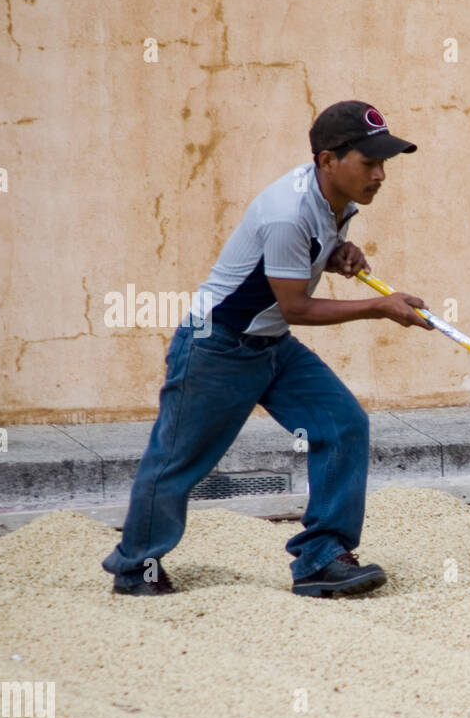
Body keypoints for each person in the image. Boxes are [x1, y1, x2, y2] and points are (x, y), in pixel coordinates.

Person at [102, 100, 433, 598]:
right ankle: (135, 568)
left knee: (342, 425)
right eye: (369, 162)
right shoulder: (287, 212)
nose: (381, 174)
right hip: (217, 348)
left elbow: (304, 264)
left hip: (271, 343)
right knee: (177, 462)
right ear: (327, 160)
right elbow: (296, 305)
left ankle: (322, 558)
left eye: (384, 162)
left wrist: (338, 251)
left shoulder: (338, 202)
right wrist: (379, 306)